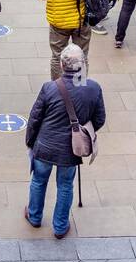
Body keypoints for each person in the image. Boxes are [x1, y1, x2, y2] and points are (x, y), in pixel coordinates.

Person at [23, 44, 106, 239]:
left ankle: (34, 216)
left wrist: (30, 142)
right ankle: (60, 227)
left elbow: (35, 118)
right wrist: (84, 132)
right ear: (83, 65)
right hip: (71, 150)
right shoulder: (93, 88)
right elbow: (100, 119)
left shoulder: (49, 88)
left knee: (38, 180)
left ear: (61, 65)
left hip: (45, 146)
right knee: (66, 185)